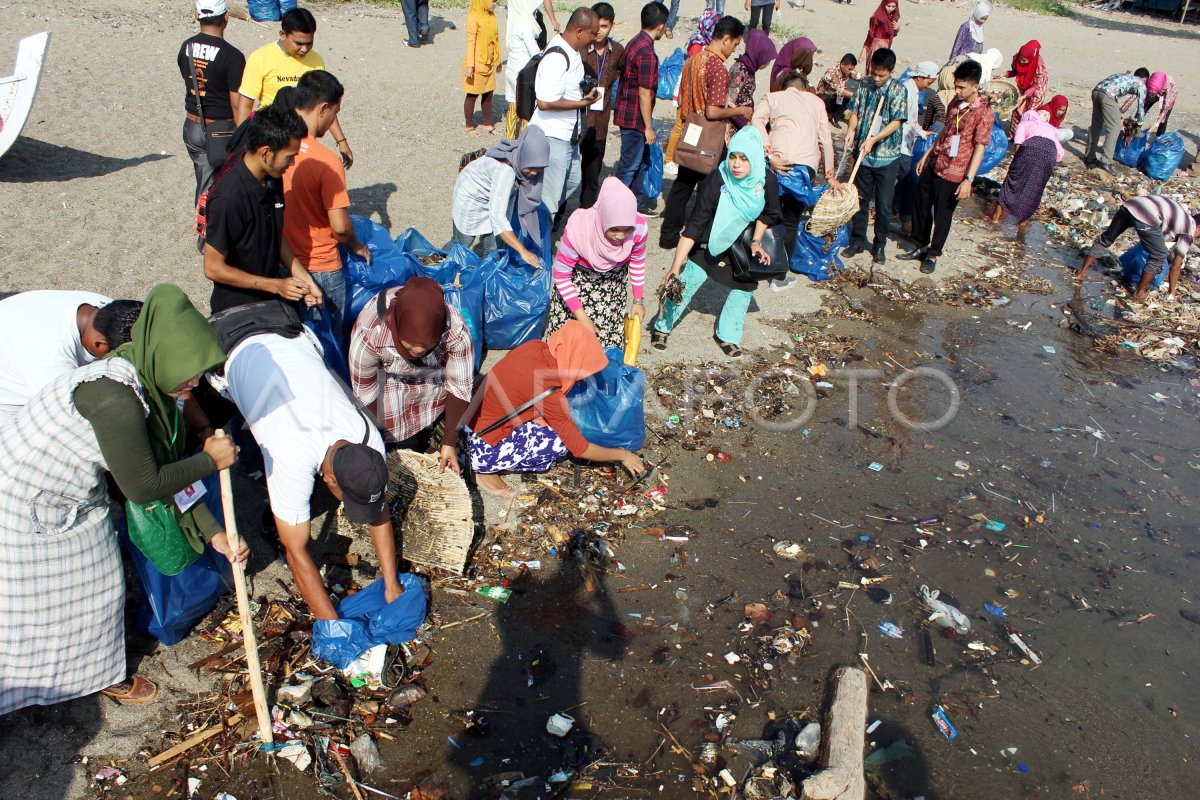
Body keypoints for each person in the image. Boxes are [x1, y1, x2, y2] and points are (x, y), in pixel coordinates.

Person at [0, 284, 242, 715]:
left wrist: (214, 533)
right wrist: (209, 460)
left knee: (80, 587)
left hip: (65, 491)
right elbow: (144, 485)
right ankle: (89, 677)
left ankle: (79, 672)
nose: (195, 384)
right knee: (76, 591)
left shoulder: (149, 382)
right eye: (189, 372)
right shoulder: (116, 397)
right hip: (32, 497)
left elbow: (166, 468)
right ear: (162, 356)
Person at [217, 325, 399, 621]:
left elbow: (380, 510)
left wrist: (392, 584)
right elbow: (296, 550)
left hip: (294, 335)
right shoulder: (292, 456)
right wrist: (332, 624)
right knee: (278, 503)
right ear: (328, 479)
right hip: (238, 348)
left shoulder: (369, 440)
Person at [466, 320, 644, 497]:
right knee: (558, 442)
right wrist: (623, 455)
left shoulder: (535, 347)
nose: (584, 376)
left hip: (466, 418)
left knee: (553, 423)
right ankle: (485, 469)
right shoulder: (548, 390)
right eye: (584, 369)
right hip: (478, 444)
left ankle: (484, 461)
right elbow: (580, 449)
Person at [652, 127, 782, 359]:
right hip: (713, 237)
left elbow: (769, 213)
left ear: (754, 157)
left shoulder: (765, 180)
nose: (736, 164)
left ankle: (728, 335)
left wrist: (756, 241)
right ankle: (663, 325)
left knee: (744, 289)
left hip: (743, 242)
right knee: (688, 280)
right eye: (732, 156)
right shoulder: (718, 178)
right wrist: (675, 266)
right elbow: (695, 224)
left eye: (744, 158)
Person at [203, 102, 322, 315]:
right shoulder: (228, 197)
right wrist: (275, 285)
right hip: (237, 309)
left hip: (272, 300)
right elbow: (213, 268)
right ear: (266, 152)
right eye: (289, 156)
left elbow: (275, 234)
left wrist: (305, 279)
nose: (293, 163)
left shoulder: (272, 178)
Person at [349, 277, 474, 470]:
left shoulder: (456, 330)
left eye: (426, 347)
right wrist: (377, 441)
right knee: (392, 444)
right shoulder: (370, 332)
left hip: (432, 381)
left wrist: (449, 440)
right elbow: (365, 391)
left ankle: (430, 434)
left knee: (437, 431)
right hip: (389, 385)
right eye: (409, 345)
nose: (417, 352)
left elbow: (460, 386)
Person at [278, 71, 367, 336]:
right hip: (321, 266)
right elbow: (339, 226)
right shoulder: (326, 162)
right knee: (327, 340)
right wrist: (356, 245)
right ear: (323, 108)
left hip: (283, 261)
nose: (332, 121)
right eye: (334, 113)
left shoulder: (276, 145)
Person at [659, 16, 752, 250]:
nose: (733, 50)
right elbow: (712, 111)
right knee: (708, 191)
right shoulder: (718, 68)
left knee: (682, 185)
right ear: (727, 39)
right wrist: (739, 110)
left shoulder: (694, 59)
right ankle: (696, 237)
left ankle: (668, 235)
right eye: (734, 44)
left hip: (689, 130)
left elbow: (684, 100)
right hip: (708, 138)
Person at [901, 58, 991, 275]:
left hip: (956, 171)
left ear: (975, 86)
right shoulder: (954, 104)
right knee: (921, 204)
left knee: (943, 214)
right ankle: (921, 243)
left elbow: (979, 147)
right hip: (937, 161)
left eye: (962, 87)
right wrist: (927, 155)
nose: (957, 91)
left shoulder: (983, 112)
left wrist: (969, 179)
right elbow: (946, 131)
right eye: (956, 86)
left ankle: (933, 254)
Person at [0, 292, 141, 426]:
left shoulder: (113, 312)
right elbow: (65, 418)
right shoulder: (52, 361)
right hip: (7, 406)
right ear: (100, 344)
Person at [236, 8, 353, 169]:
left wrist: (341, 141)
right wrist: (244, 146)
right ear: (283, 35)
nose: (304, 49)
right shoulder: (260, 58)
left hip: (304, 144)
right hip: (272, 142)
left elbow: (326, 106)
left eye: (309, 43)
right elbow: (244, 105)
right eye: (299, 43)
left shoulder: (316, 61)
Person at [546, 178, 648, 348]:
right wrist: (582, 317)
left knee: (603, 350)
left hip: (612, 292)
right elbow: (561, 275)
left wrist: (638, 301)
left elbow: (637, 262)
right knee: (569, 349)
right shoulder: (579, 230)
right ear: (603, 218)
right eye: (614, 229)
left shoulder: (639, 228)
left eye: (626, 229)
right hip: (577, 290)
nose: (621, 236)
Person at [752, 71, 835, 268]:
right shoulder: (816, 102)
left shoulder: (773, 97)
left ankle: (757, 262)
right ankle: (780, 272)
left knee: (765, 213)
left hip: (777, 161)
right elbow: (826, 139)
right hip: (806, 168)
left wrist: (768, 153)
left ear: (784, 87)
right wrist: (830, 175)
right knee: (791, 220)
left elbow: (756, 121)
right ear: (804, 88)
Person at [530, 7, 601, 224]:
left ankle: (531, 225)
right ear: (580, 31)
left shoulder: (572, 52)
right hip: (552, 136)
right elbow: (544, 101)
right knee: (549, 202)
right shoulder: (558, 57)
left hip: (568, 136)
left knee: (572, 181)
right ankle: (536, 249)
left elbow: (564, 91)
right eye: (592, 33)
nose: (595, 38)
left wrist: (584, 94)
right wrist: (582, 103)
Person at [840, 48, 908, 266]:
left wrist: (874, 139)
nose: (877, 79)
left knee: (884, 205)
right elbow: (856, 112)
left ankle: (879, 245)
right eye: (875, 74)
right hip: (863, 155)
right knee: (860, 199)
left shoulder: (898, 91)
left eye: (882, 75)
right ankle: (858, 240)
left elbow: (896, 122)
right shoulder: (865, 85)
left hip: (887, 157)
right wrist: (851, 130)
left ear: (891, 71)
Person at [178, 0, 245, 205]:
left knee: (204, 182)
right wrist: (243, 135)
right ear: (226, 17)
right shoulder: (232, 56)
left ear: (197, 15)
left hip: (192, 125)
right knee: (222, 188)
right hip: (221, 130)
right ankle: (207, 235)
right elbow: (237, 104)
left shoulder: (186, 47)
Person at [451, 126, 548, 262]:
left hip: (493, 195)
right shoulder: (505, 171)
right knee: (461, 245)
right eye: (531, 168)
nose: (534, 174)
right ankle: (438, 268)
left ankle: (487, 274)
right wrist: (522, 250)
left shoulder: (519, 155)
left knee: (492, 249)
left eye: (539, 169)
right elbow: (498, 218)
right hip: (470, 197)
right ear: (523, 156)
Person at [1074, 196, 1196, 302]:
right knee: (1159, 255)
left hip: (1130, 205)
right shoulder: (1189, 229)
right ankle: (1139, 292)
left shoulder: (1182, 215)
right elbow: (1176, 265)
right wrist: (1172, 292)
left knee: (1107, 237)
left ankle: (1080, 273)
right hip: (1147, 215)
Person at [613, 2, 666, 216]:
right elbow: (645, 92)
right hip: (635, 118)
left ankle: (634, 204)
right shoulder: (646, 53)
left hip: (627, 111)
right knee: (629, 166)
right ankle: (614, 208)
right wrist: (649, 126)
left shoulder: (635, 42)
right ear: (661, 26)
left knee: (640, 162)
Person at [579, 2, 626, 209]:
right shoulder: (579, 49)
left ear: (612, 26)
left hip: (600, 123)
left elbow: (622, 73)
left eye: (605, 27)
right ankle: (556, 217)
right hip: (577, 119)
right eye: (597, 26)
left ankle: (586, 211)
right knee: (567, 172)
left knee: (592, 172)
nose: (599, 31)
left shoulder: (616, 51)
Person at [990, 111, 1063, 226]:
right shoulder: (1049, 128)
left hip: (1031, 147)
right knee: (1036, 188)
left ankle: (996, 217)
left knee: (1012, 182)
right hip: (1050, 153)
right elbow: (1060, 154)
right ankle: (1023, 222)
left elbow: (1018, 142)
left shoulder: (1024, 124)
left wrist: (1016, 165)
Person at [1085, 68, 1149, 172]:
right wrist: (1140, 123)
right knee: (1115, 128)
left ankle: (1089, 157)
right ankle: (1105, 161)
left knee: (1096, 125)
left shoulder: (1124, 76)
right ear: (1145, 79)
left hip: (1096, 91)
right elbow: (1141, 107)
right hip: (1108, 96)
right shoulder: (1141, 84)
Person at [504, 0, 543, 139]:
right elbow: (533, 49)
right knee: (526, 108)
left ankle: (508, 139)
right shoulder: (525, 23)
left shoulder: (517, 20)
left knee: (513, 106)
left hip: (512, 69)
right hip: (522, 73)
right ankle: (522, 140)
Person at [463, 0, 502, 136]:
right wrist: (470, 66)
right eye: (493, 1)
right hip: (477, 62)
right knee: (472, 95)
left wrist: (498, 60)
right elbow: (471, 43)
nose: (495, 4)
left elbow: (496, 39)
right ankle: (469, 126)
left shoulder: (491, 16)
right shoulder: (473, 17)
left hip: (489, 62)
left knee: (488, 93)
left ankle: (487, 123)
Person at [727, 29, 778, 130]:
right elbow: (729, 101)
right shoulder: (741, 70)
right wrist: (744, 124)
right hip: (734, 123)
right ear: (758, 52)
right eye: (765, 58)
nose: (767, 64)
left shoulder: (749, 69)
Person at [1003, 41, 1048, 136]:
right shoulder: (1017, 58)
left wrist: (1025, 95)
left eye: (1025, 60)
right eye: (1021, 59)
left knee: (1030, 113)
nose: (1022, 62)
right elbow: (1016, 71)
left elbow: (1037, 85)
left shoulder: (1038, 66)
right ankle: (1013, 134)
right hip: (1023, 84)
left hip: (1036, 90)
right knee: (1017, 108)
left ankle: (1025, 135)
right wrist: (1005, 74)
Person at [859, 0, 900, 74]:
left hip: (888, 46)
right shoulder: (876, 17)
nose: (891, 9)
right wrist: (864, 50)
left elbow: (891, 34)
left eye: (893, 6)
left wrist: (898, 29)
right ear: (883, 4)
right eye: (888, 6)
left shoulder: (893, 17)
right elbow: (871, 34)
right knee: (875, 68)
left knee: (885, 68)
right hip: (877, 46)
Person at [817, 53, 857, 125]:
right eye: (849, 69)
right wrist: (858, 96)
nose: (851, 71)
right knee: (848, 95)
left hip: (835, 98)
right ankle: (826, 114)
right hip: (825, 99)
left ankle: (834, 116)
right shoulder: (831, 73)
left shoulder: (846, 70)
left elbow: (859, 75)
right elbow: (841, 91)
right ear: (842, 64)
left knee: (848, 97)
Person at [1140, 71, 1177, 137]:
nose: (1152, 96)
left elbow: (1165, 110)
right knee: (1143, 107)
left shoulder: (1169, 87)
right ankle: (1135, 129)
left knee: (1164, 117)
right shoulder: (1149, 84)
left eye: (1153, 94)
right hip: (1154, 87)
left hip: (1169, 92)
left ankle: (1159, 137)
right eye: (1151, 94)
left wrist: (1156, 125)